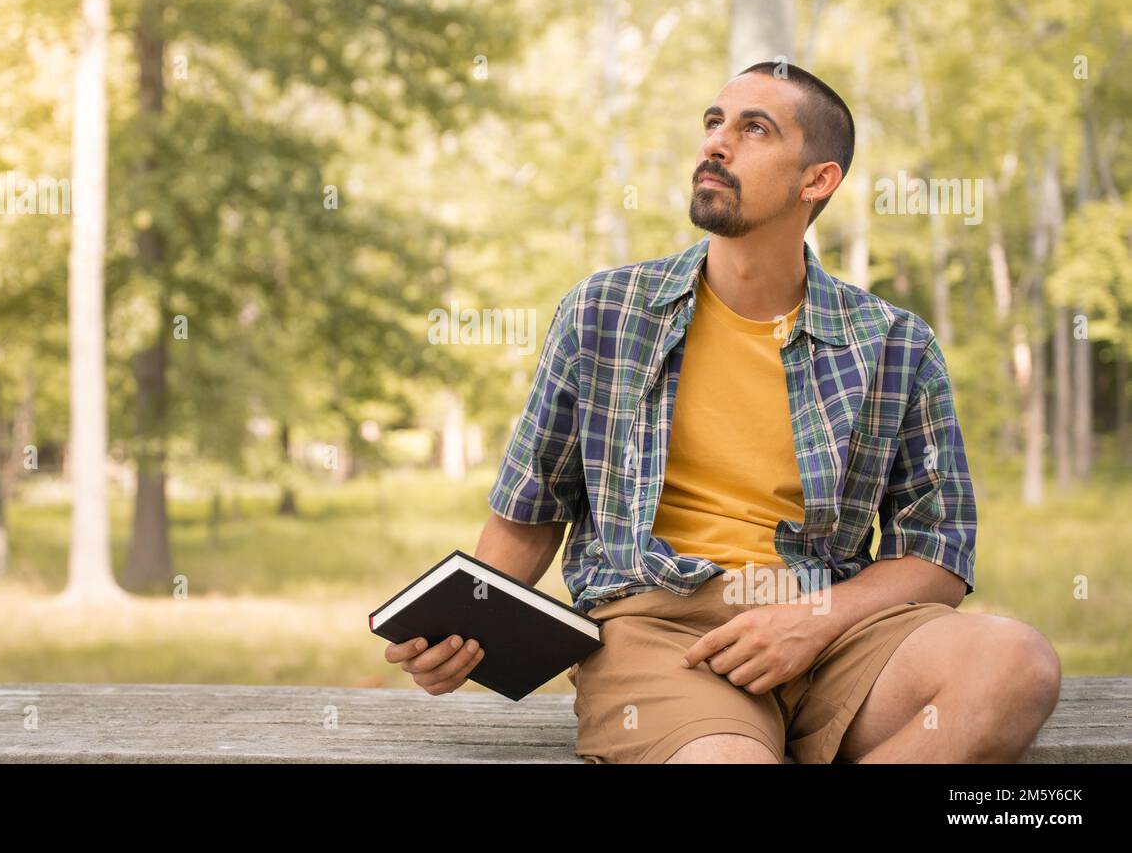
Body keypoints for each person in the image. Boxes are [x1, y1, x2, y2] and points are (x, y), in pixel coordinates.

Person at [384, 61, 1061, 763]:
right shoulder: (604, 313)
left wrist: (812, 619)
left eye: (754, 129)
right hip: (666, 637)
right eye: (713, 122)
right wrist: (462, 627)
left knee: (1016, 664)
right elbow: (531, 514)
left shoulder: (893, 343)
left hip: (835, 629)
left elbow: (937, 552)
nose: (717, 143)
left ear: (817, 180)